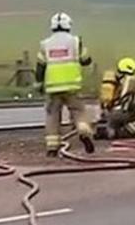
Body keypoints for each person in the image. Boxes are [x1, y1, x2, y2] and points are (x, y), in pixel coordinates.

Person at [35, 12, 95, 156]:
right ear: (68, 25)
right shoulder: (75, 41)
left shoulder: (45, 44)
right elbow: (85, 60)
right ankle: (83, 130)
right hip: (72, 86)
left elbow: (40, 66)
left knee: (52, 116)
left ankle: (51, 148)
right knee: (78, 111)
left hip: (52, 87)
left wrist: (39, 83)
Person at [106, 57, 135, 138]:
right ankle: (124, 132)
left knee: (111, 127)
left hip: (112, 112)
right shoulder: (134, 80)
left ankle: (111, 132)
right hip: (124, 112)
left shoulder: (119, 80)